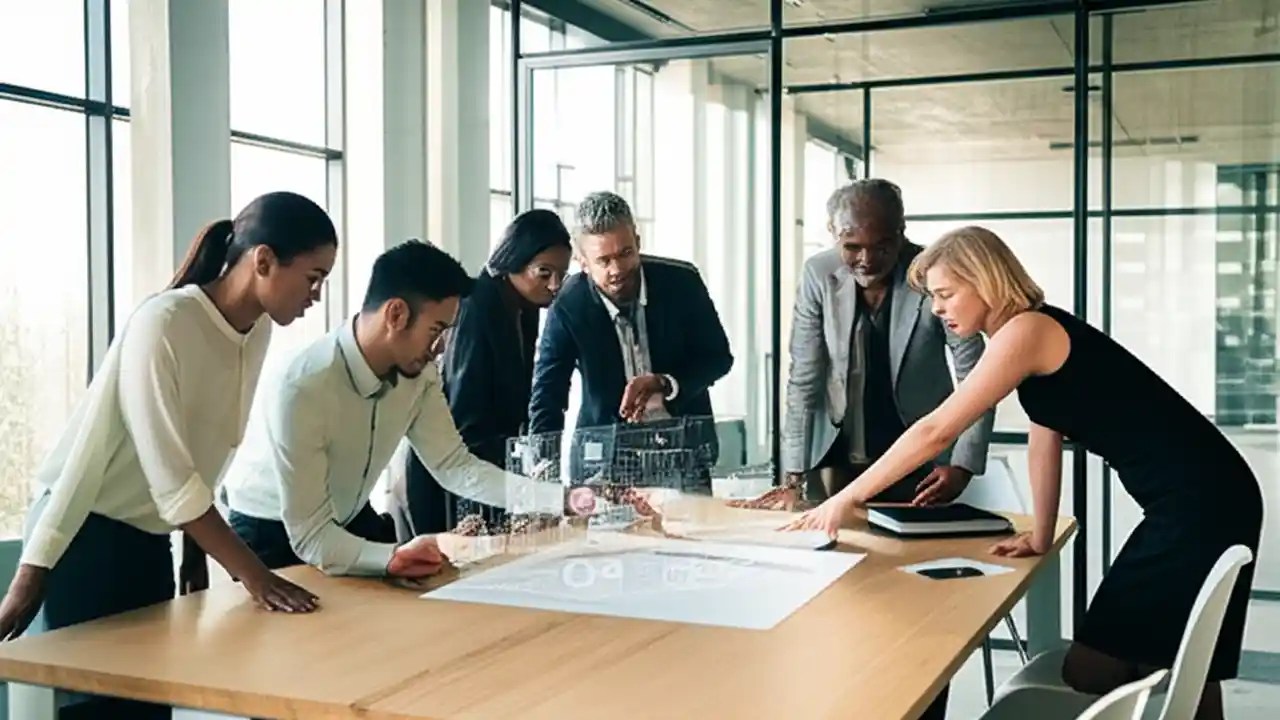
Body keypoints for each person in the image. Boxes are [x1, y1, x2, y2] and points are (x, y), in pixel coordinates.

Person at [786, 226, 1263, 720]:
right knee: (1187, 664)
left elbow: (935, 431)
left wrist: (843, 500)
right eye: (933, 297)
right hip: (1206, 493)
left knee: (1096, 668)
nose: (936, 309)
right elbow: (1045, 437)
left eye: (946, 294)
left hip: (1198, 501)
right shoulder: (1029, 331)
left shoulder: (1025, 332)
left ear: (985, 281)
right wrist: (1038, 532)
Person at [0, 191, 336, 718]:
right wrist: (256, 576)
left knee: (150, 710)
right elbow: (158, 474)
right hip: (83, 534)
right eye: (313, 277)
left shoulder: (259, 330)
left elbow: (204, 449)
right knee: (94, 712)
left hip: (150, 537)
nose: (316, 295)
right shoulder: (164, 322)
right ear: (264, 261)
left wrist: (196, 550)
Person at [222, 239, 591, 578]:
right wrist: (392, 556)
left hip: (345, 517)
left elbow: (454, 465)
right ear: (396, 315)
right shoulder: (304, 385)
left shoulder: (420, 373)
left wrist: (561, 499)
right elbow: (311, 537)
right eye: (436, 330)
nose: (443, 347)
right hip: (270, 533)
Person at [745, 180, 993, 518]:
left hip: (920, 453)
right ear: (833, 232)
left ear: (901, 232)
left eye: (882, 246)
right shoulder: (818, 274)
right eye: (852, 246)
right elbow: (804, 378)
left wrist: (963, 463)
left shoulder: (933, 273)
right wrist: (793, 476)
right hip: (835, 454)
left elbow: (978, 374)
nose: (867, 260)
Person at [527, 191, 733, 492]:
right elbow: (548, 394)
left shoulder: (682, 282)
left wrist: (666, 383)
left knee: (693, 537)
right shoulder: (568, 305)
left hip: (683, 452)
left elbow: (718, 357)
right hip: (605, 462)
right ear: (582, 262)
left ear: (638, 241)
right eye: (604, 260)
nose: (617, 269)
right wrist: (544, 476)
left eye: (625, 253)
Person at [389, 210, 573, 539]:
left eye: (561, 273)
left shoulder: (524, 306)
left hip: (488, 472)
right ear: (513, 260)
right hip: (450, 476)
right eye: (544, 272)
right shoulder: (477, 307)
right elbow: (463, 418)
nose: (555, 285)